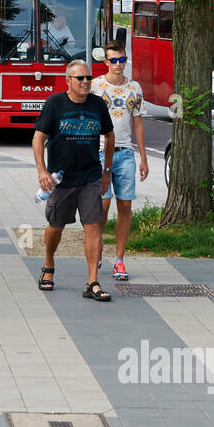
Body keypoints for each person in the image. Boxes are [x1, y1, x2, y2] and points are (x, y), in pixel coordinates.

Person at [33, 60, 116, 301]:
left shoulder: (97, 105)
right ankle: (49, 265)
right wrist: (42, 170)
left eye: (89, 78)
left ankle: (92, 282)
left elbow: (109, 136)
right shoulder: (55, 104)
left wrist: (106, 170)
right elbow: (38, 138)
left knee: (93, 226)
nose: (86, 82)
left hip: (90, 177)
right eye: (80, 78)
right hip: (62, 179)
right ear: (68, 80)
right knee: (56, 226)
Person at [92, 40, 149, 282]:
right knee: (102, 206)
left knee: (125, 205)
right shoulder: (95, 86)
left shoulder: (134, 88)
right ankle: (99, 244)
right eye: (113, 60)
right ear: (105, 62)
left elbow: (137, 121)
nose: (118, 64)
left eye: (121, 59)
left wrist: (143, 157)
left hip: (125, 152)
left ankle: (120, 260)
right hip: (102, 152)